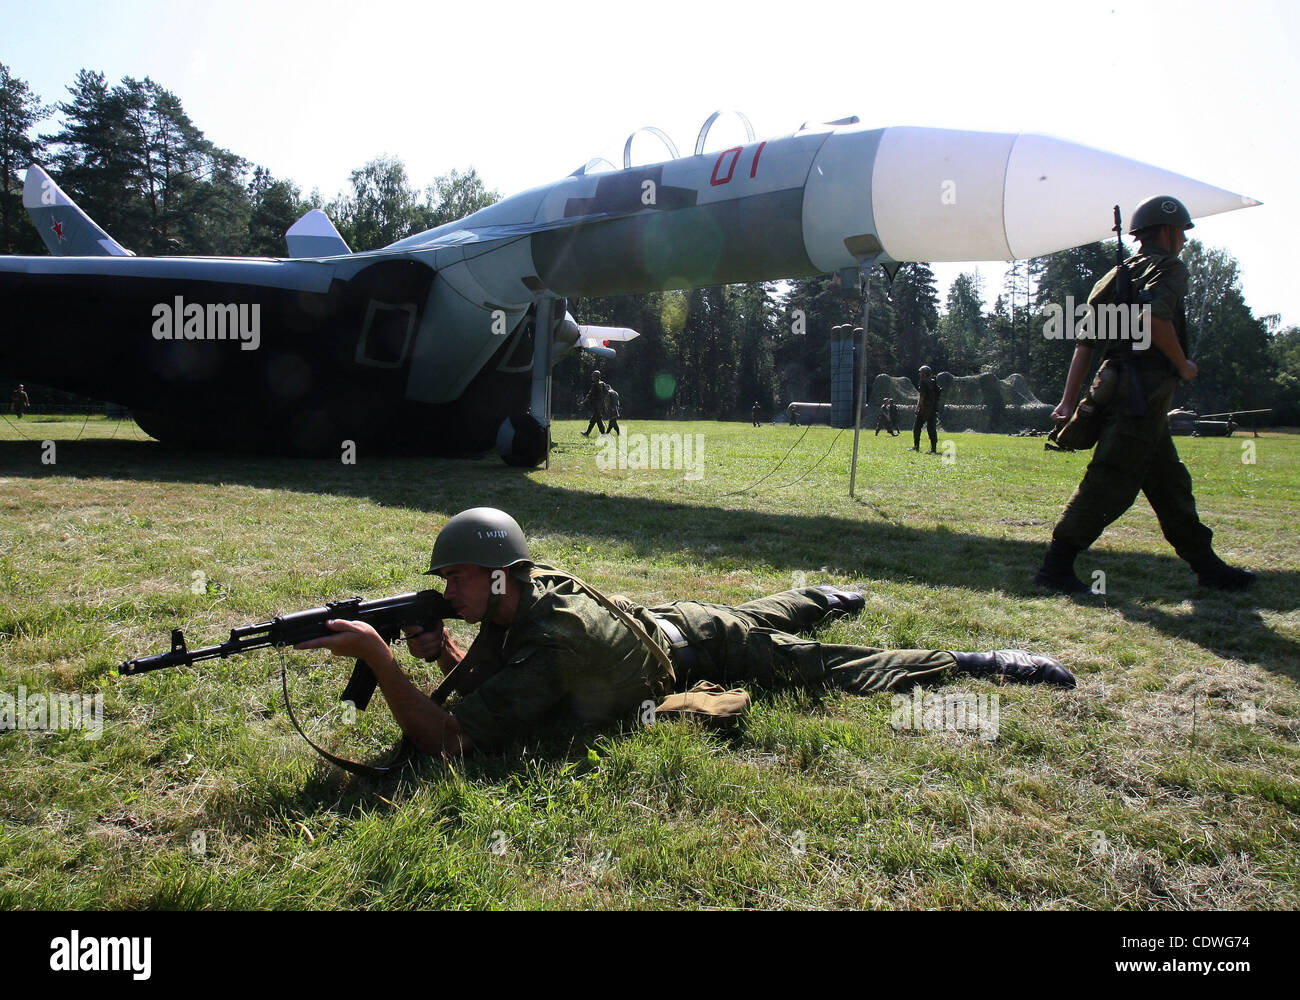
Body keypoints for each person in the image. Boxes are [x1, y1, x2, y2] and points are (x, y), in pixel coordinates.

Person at [298, 508, 1076, 757]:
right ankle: (820, 591)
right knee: (767, 611)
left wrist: (374, 652)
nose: (447, 590)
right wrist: (448, 652)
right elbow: (498, 670)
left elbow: (451, 739)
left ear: (501, 577)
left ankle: (979, 659)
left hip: (701, 645)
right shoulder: (521, 602)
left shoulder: (553, 635)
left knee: (829, 667)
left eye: (457, 578)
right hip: (671, 623)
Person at [1034, 195, 1254, 594]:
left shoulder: (1114, 276)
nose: (1185, 241)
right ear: (1168, 232)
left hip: (1114, 385)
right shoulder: (1169, 268)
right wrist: (1183, 365)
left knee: (1170, 484)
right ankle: (1055, 566)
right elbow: (1154, 319)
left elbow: (1085, 344)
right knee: (1111, 480)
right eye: (1183, 233)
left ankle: (1207, 566)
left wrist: (1068, 401)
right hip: (1142, 394)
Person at [911, 366, 941, 452]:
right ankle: (933, 449)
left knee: (917, 427)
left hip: (925, 408)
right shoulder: (933, 382)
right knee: (931, 428)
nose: (919, 374)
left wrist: (918, 407)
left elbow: (922, 396)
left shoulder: (923, 381)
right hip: (933, 408)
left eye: (921, 372)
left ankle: (916, 446)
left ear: (924, 373)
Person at [580, 371, 606, 436]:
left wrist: (583, 402)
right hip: (601, 404)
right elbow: (606, 393)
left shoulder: (595, 385)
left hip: (596, 405)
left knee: (598, 419)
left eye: (592, 376)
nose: (592, 377)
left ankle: (603, 433)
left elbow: (589, 395)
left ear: (595, 377)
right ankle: (587, 433)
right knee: (594, 420)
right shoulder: (603, 384)